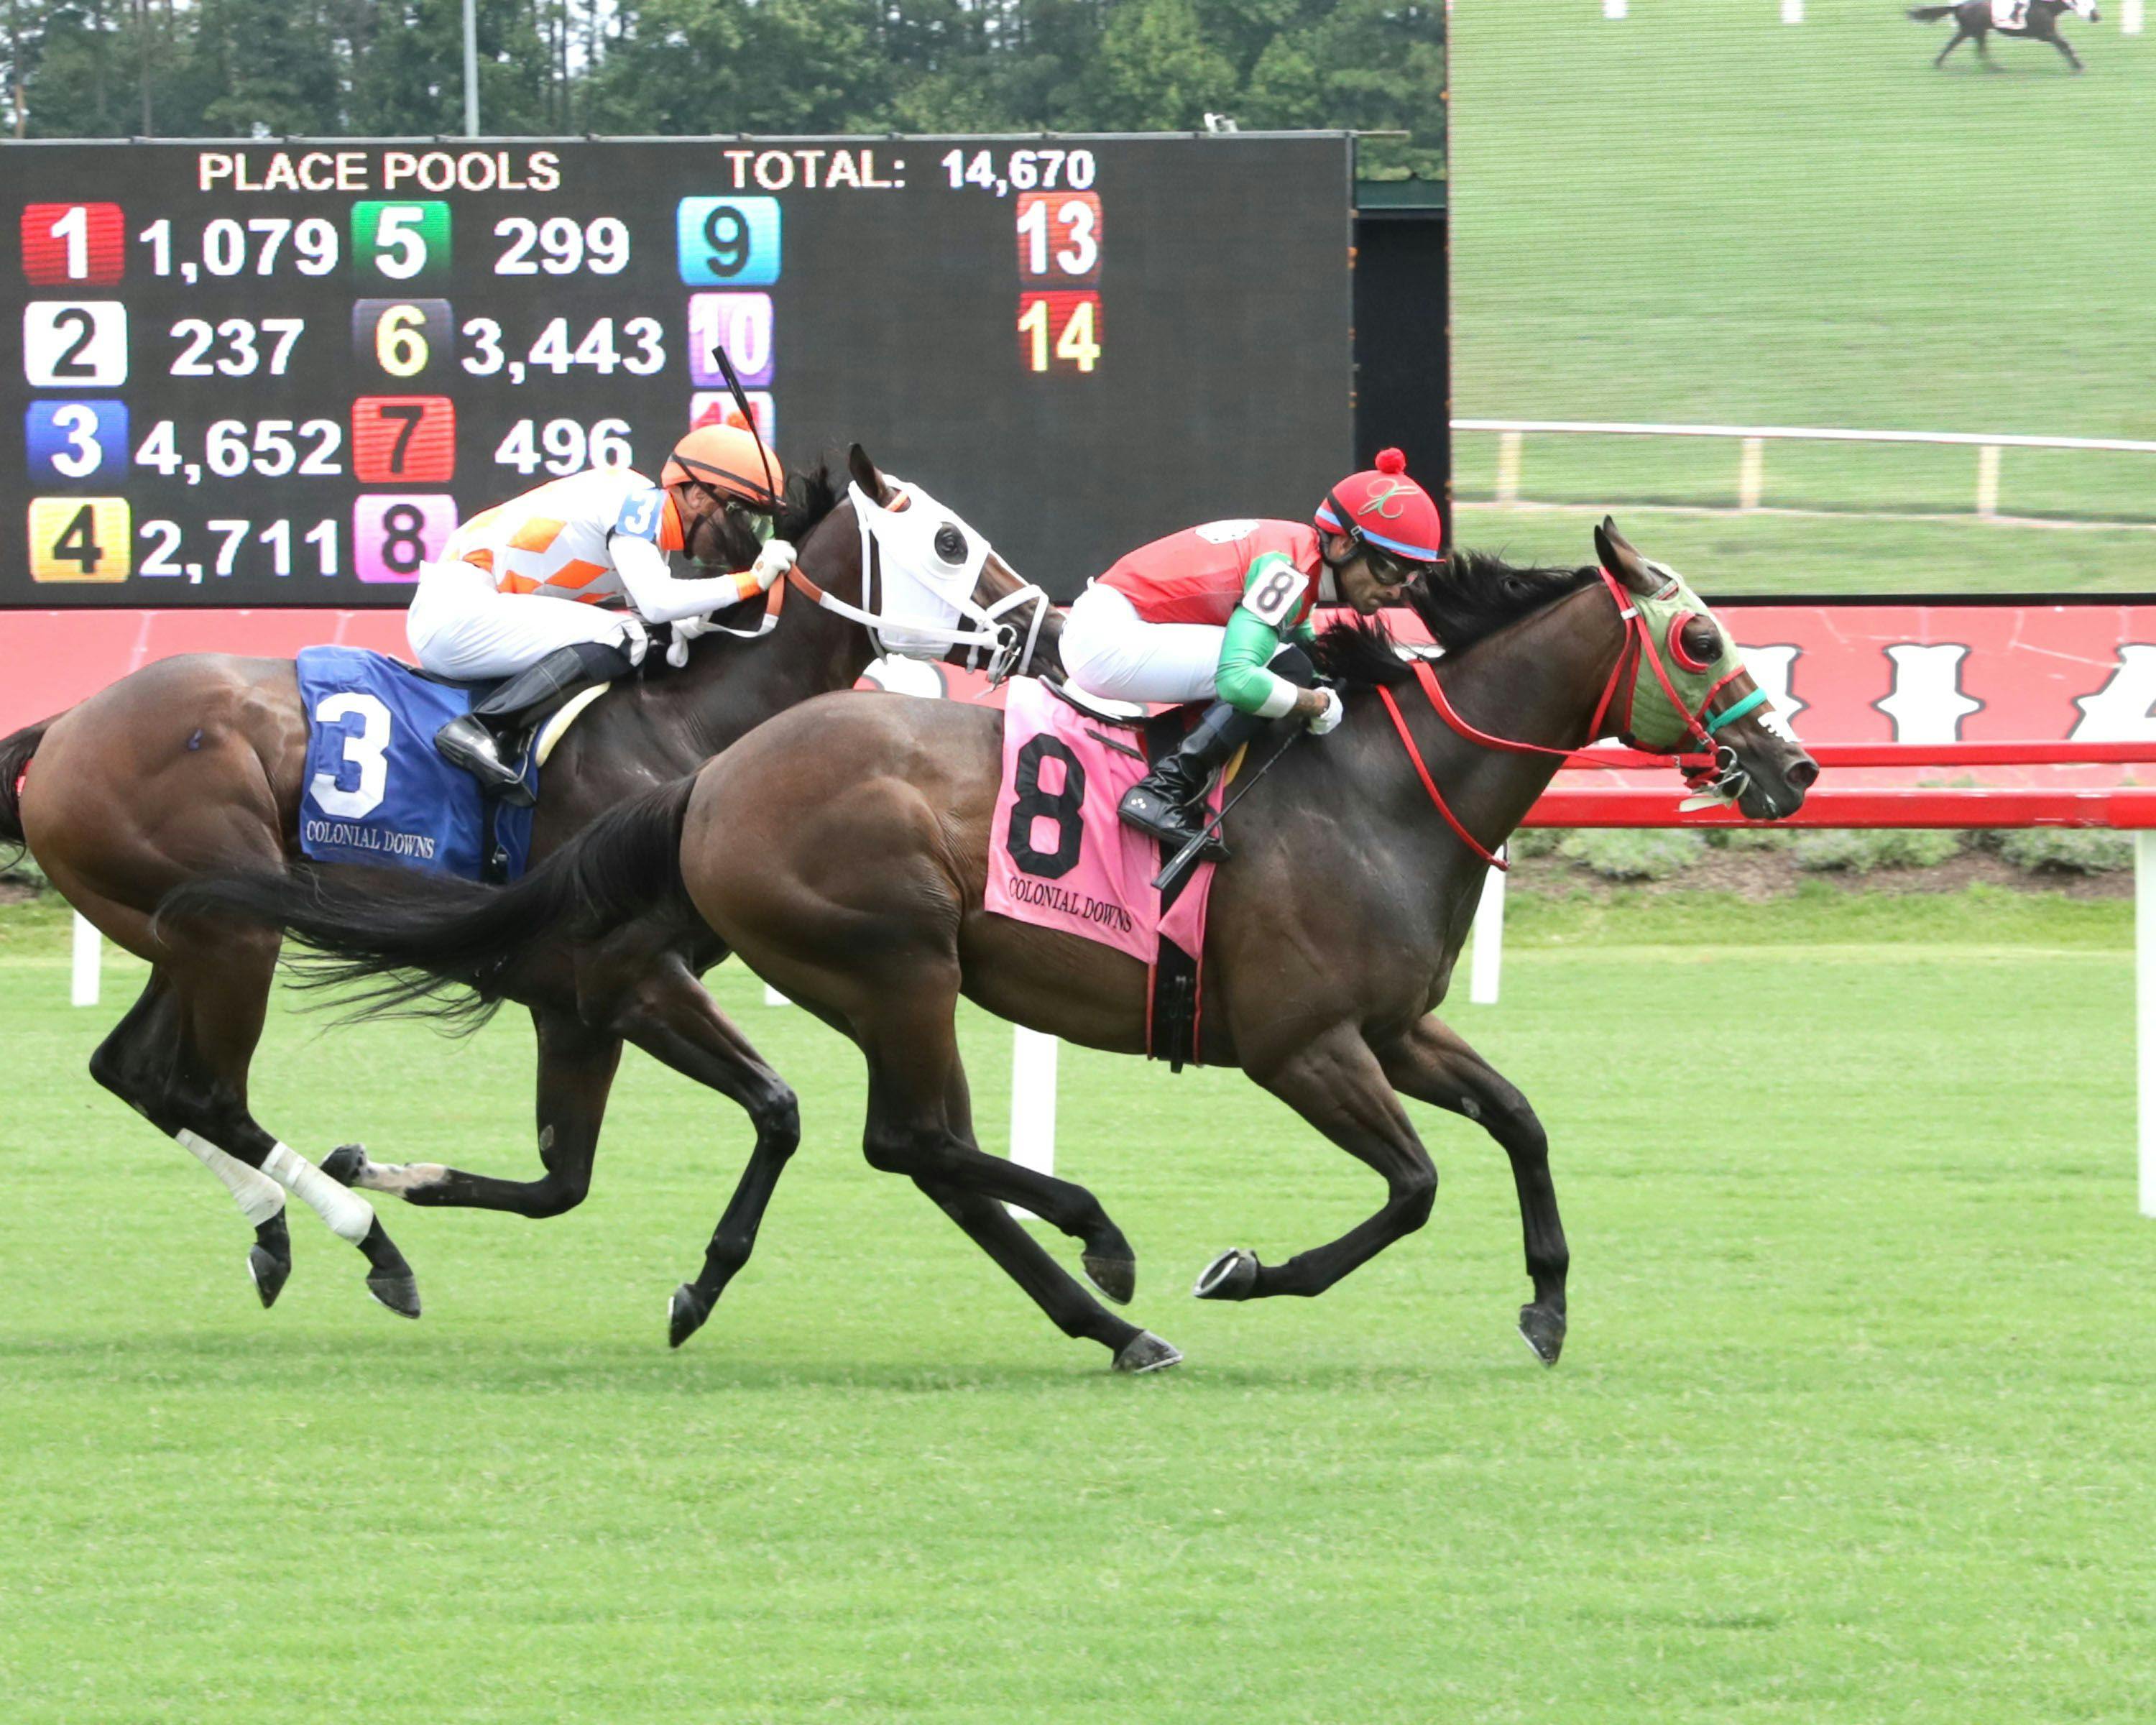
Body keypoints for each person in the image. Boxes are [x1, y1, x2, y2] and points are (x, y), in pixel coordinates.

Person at [1060, 448, 1444, 860]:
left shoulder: (1301, 555)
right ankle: (1163, 789)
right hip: (1108, 639)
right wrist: (1316, 704)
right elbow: (1238, 680)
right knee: (1284, 667)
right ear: (1345, 545)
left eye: (1410, 575)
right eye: (1388, 569)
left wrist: (1327, 682)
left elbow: (1306, 646)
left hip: (1114, 626)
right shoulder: (1288, 571)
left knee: (1296, 665)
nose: (1396, 589)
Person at [408, 423, 793, 802]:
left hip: (470, 613)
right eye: (740, 514)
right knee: (624, 636)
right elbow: (659, 603)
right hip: (456, 612)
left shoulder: (645, 535)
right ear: (696, 496)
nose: (744, 534)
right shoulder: (636, 503)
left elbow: (660, 626)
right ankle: (485, 727)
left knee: (642, 640)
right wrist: (751, 581)